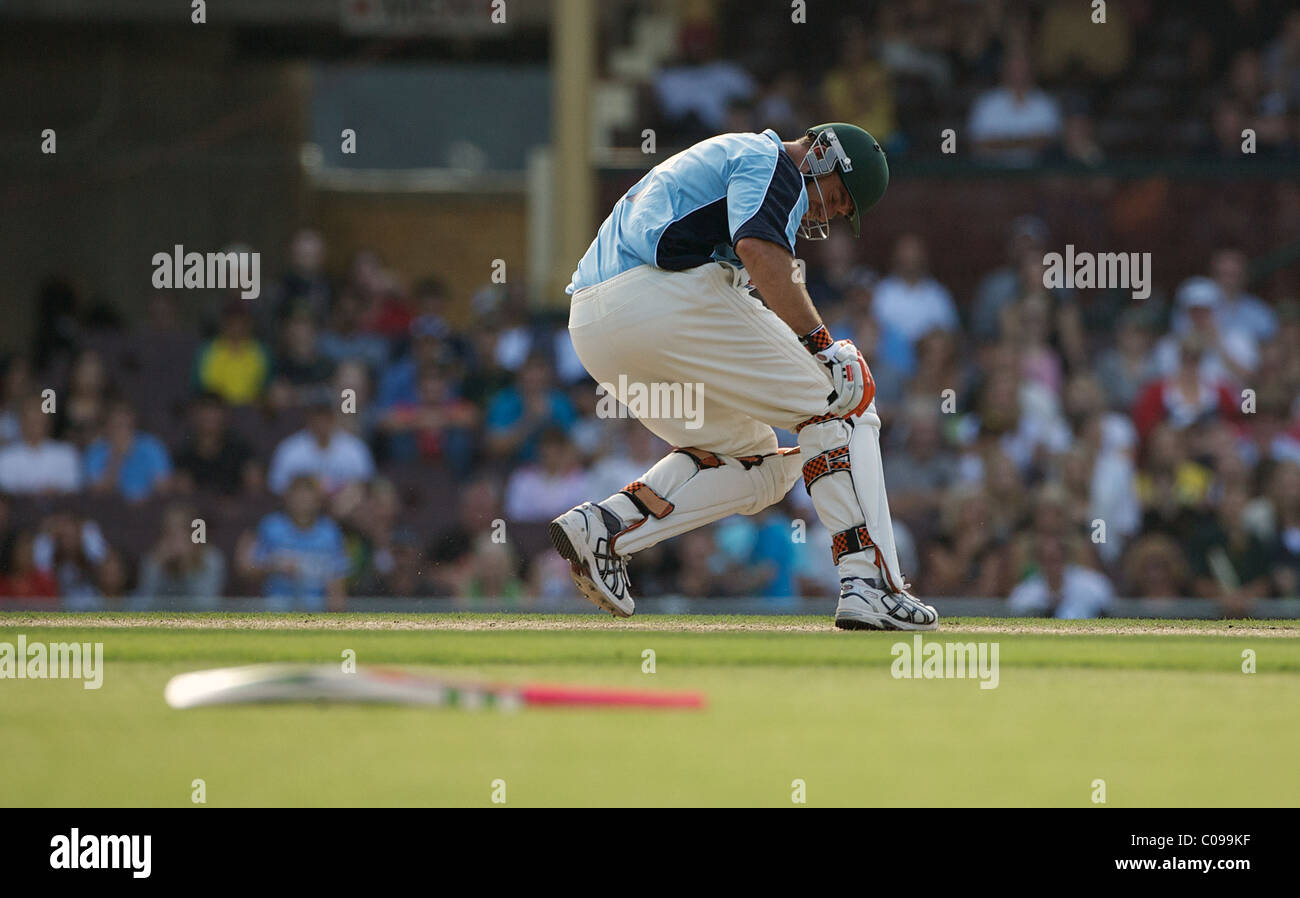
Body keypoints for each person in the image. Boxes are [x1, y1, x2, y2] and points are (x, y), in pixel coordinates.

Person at [550, 122, 936, 630]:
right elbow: (759, 249)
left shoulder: (733, 159)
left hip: (597, 329)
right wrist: (822, 347)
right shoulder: (774, 160)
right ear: (822, 155)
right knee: (844, 399)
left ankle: (605, 527)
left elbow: (744, 269)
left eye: (841, 211)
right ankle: (872, 584)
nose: (828, 213)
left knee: (759, 464)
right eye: (838, 196)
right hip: (657, 300)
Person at [238, 474, 348, 611]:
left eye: (307, 495)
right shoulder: (271, 526)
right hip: (276, 605)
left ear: (317, 501)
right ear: (287, 498)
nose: (302, 500)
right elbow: (247, 570)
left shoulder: (330, 532)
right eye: (297, 495)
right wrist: (274, 566)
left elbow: (337, 580)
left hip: (317, 607)